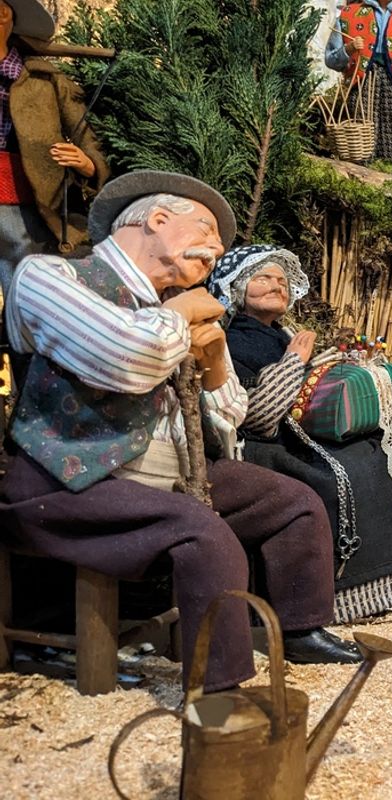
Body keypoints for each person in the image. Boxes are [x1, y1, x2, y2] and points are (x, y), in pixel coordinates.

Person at [0, 171, 361, 693]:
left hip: (167, 476)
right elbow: (127, 357)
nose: (217, 247)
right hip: (68, 479)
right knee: (203, 533)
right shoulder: (49, 276)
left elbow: (231, 414)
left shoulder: (173, 309)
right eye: (207, 229)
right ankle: (220, 691)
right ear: (157, 218)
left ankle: (299, 627)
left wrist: (213, 363)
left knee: (294, 502)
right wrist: (179, 313)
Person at [208, 245, 392, 623]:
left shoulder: (283, 334)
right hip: (268, 444)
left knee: (384, 447)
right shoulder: (230, 342)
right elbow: (257, 417)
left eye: (282, 281)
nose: (277, 285)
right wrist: (296, 362)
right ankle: (345, 592)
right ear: (237, 287)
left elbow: (307, 387)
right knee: (344, 472)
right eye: (263, 278)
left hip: (301, 430)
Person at [0, 0, 109, 295]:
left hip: (24, 198)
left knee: (24, 282)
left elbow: (86, 135)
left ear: (3, 14)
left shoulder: (45, 80)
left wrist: (88, 163)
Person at [325, 0, 392, 166]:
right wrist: (348, 49)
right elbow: (331, 59)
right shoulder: (349, 15)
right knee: (361, 134)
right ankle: (359, 172)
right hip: (362, 80)